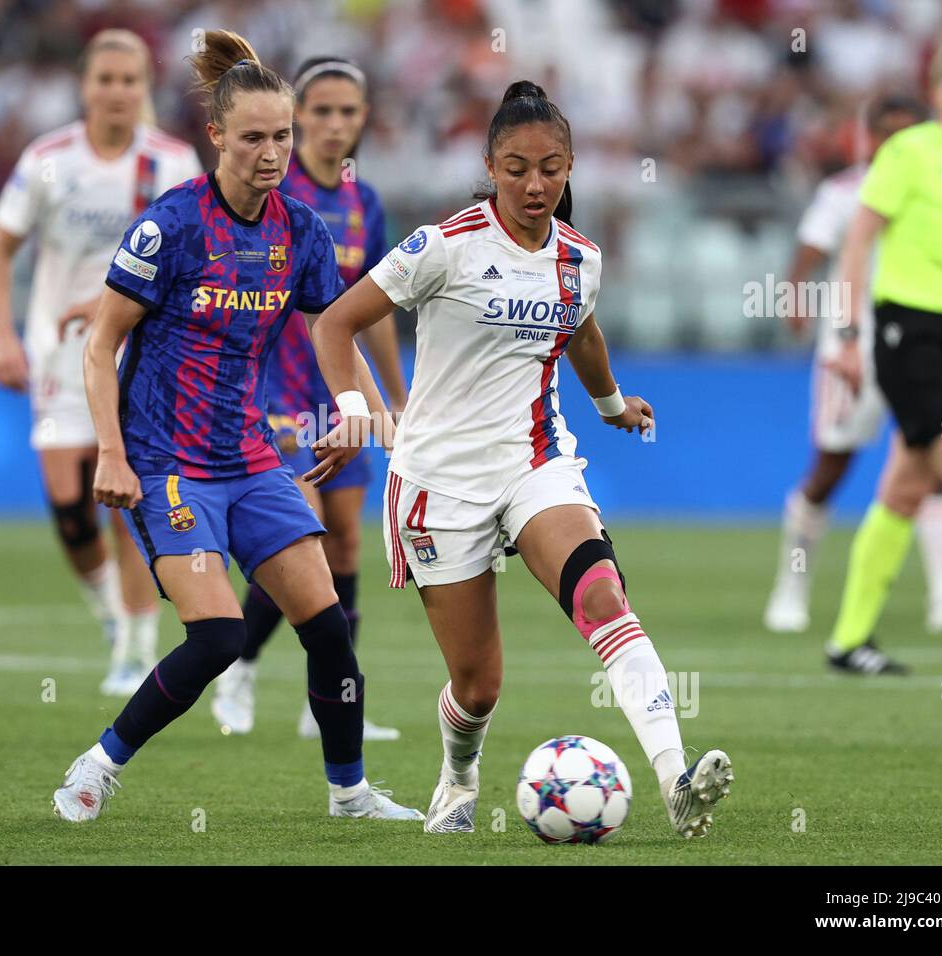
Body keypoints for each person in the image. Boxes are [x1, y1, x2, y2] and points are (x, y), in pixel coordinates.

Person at [310, 81, 733, 838]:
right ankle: (458, 777)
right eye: (516, 168)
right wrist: (352, 414)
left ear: (570, 167)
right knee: (478, 685)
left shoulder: (580, 260)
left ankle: (675, 778)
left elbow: (583, 333)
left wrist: (611, 406)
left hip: (536, 463)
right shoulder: (443, 246)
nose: (534, 185)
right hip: (438, 478)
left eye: (550, 167)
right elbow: (335, 325)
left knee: (603, 594)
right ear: (490, 165)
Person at [50, 30, 422, 824]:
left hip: (250, 457)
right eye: (254, 136)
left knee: (328, 626)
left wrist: (358, 412)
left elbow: (334, 333)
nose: (273, 151)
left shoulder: (300, 232)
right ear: (215, 136)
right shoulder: (172, 226)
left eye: (281, 135)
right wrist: (111, 456)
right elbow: (101, 344)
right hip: (166, 462)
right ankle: (98, 763)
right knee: (218, 637)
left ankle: (349, 793)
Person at [0, 30, 202, 695]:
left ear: (145, 88)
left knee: (123, 496)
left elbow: (198, 259)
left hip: (144, 353)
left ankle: (135, 647)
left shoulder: (173, 162)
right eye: (105, 79)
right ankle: (110, 612)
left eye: (129, 80)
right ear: (84, 86)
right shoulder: (48, 160)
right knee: (71, 510)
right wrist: (0, 336)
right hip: (58, 351)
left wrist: (119, 302)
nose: (117, 91)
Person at [211, 56, 409, 741]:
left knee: (350, 545)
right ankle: (238, 666)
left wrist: (396, 399)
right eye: (319, 112)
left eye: (347, 112)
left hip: (342, 394)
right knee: (307, 539)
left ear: (362, 121)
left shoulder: (365, 202)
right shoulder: (274, 191)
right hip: (274, 393)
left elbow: (374, 310)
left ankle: (327, 696)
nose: (333, 125)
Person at [764, 95, 942, 635]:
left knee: (938, 464)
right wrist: (796, 302)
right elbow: (809, 254)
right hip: (853, 352)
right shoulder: (844, 194)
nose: (896, 144)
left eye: (906, 132)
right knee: (830, 469)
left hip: (924, 348)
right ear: (865, 138)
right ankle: (790, 590)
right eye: (885, 133)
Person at [826, 26, 942, 674]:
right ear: (938, 91)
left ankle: (847, 642)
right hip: (906, 336)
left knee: (905, 488)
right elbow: (856, 244)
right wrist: (846, 335)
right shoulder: (907, 154)